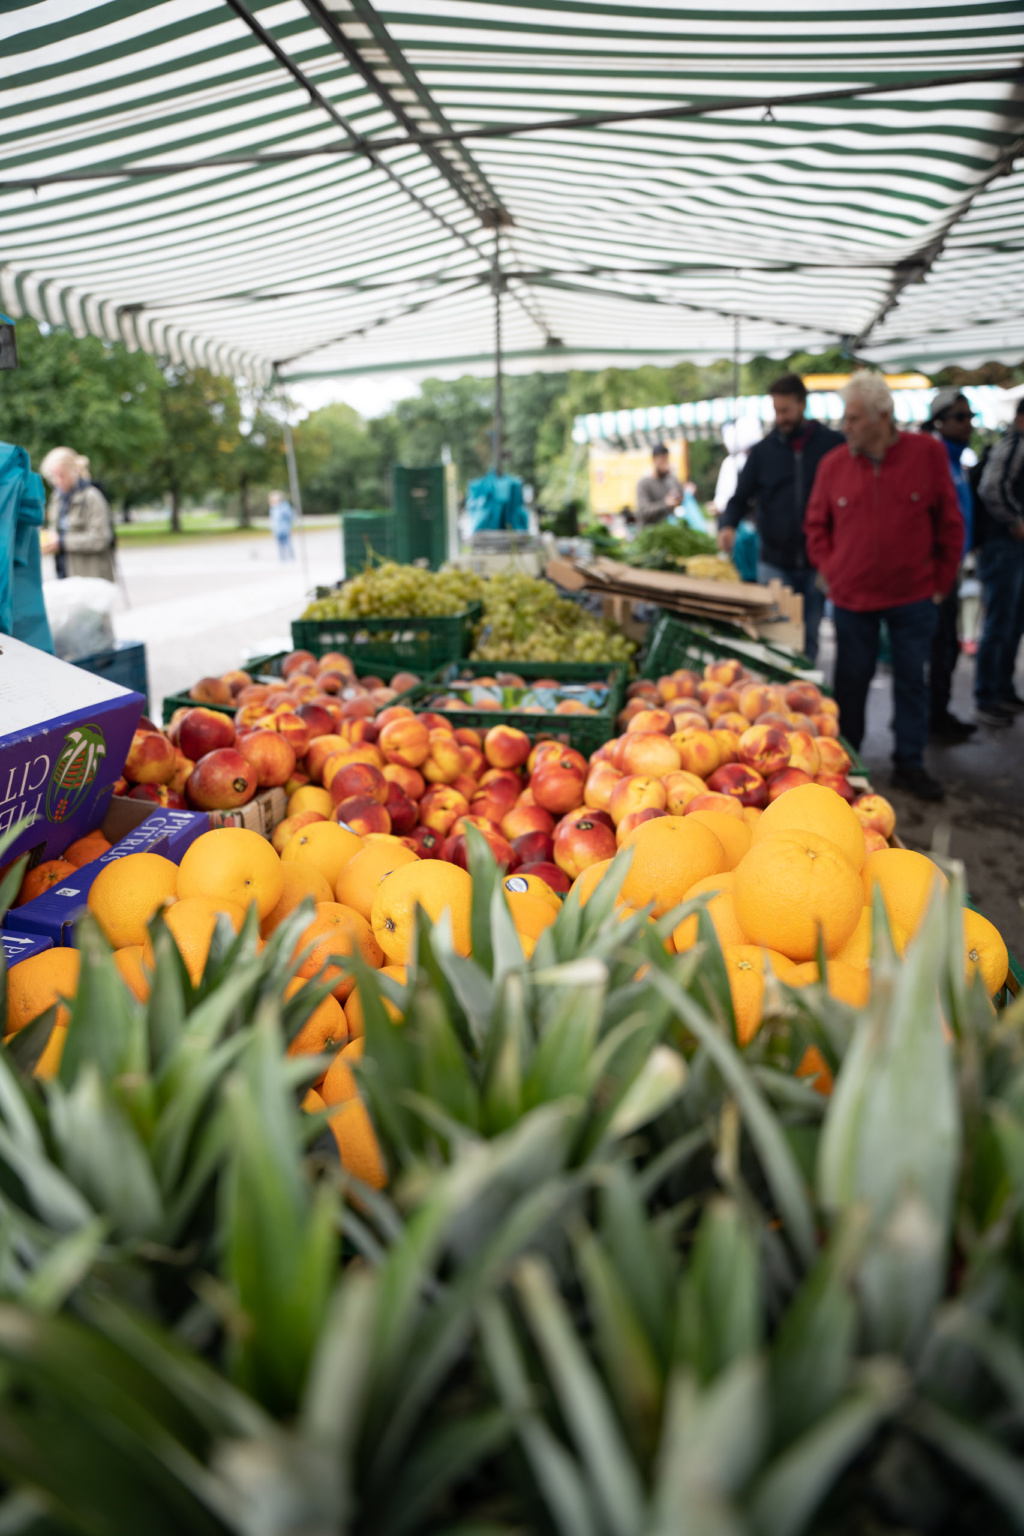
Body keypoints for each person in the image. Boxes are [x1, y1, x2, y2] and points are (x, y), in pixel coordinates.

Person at [805, 372, 963, 802]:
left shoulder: (926, 454)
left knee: (913, 680)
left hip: (913, 596)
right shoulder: (833, 465)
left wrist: (941, 583)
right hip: (853, 599)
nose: (845, 427)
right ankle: (849, 763)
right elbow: (816, 526)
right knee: (852, 682)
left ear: (884, 416)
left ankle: (909, 763)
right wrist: (832, 570)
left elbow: (950, 523)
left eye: (854, 418)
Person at [717, 374, 844, 665]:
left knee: (809, 637)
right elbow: (740, 497)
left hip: (817, 563)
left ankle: (806, 696)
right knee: (776, 638)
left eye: (786, 410)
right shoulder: (762, 453)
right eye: (776, 411)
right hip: (773, 561)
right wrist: (728, 525)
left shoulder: (831, 446)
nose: (781, 418)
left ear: (803, 404)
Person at [919, 388, 978, 741]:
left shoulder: (957, 459)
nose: (967, 424)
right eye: (959, 417)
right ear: (939, 422)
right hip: (935, 573)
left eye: (970, 417)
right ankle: (931, 720)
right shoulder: (935, 457)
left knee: (947, 647)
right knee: (936, 649)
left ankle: (939, 713)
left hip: (953, 567)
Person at [973, 396, 1024, 725]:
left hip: (1009, 547)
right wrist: (1015, 520)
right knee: (999, 621)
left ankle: (1001, 689)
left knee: (1012, 621)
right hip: (1002, 546)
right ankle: (987, 694)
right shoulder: (1014, 444)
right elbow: (991, 486)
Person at [39, 447, 115, 582]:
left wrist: (62, 542)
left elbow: (101, 538)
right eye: (52, 476)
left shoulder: (91, 496)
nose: (57, 481)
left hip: (92, 577)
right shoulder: (57, 498)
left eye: (61, 475)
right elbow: (56, 531)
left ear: (73, 471)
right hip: (66, 574)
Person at [635, 444, 682, 526]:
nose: (665, 463)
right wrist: (665, 503)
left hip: (667, 529)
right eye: (662, 460)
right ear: (654, 460)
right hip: (649, 533)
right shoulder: (644, 483)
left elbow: (680, 495)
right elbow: (643, 511)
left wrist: (672, 474)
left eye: (666, 460)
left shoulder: (669, 480)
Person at [269, 490, 295, 561]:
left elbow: (290, 516)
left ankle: (291, 557)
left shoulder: (284, 506)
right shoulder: (273, 508)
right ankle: (282, 558)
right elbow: (273, 520)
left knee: (288, 543)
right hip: (277, 529)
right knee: (279, 545)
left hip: (285, 528)